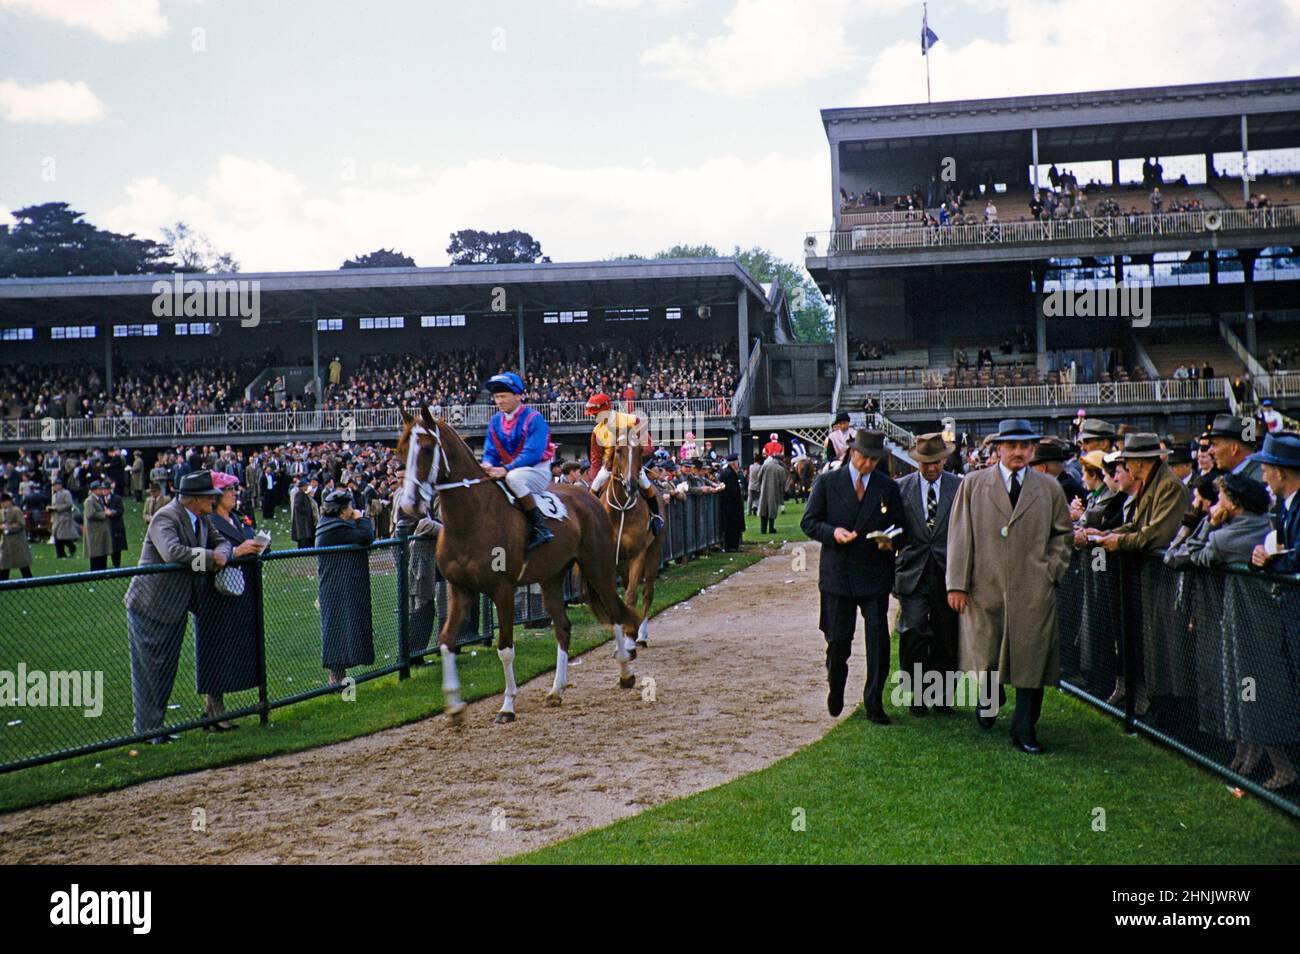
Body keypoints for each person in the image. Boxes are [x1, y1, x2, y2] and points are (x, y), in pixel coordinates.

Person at [946, 418, 1073, 753]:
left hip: (1034, 591)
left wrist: (1052, 571)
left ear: (1033, 450)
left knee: (1032, 660)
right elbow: (960, 537)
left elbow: (1063, 535)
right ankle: (990, 700)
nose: (1018, 452)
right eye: (1012, 445)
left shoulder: (1048, 489)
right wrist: (957, 584)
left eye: (1025, 446)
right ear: (998, 449)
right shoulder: (973, 484)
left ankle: (1025, 730)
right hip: (984, 588)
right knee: (988, 656)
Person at [801, 430, 904, 724]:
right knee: (838, 641)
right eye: (863, 457)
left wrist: (890, 540)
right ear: (851, 453)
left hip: (874, 573)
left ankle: (874, 701)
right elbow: (809, 522)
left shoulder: (887, 487)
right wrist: (832, 532)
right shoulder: (828, 482)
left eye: (874, 459)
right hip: (838, 574)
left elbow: (900, 526)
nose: (868, 464)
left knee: (877, 640)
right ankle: (836, 683)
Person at [123, 470, 233, 743]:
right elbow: (172, 553)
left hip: (176, 605)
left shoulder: (204, 519)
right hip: (151, 605)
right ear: (194, 498)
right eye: (209, 497)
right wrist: (211, 558)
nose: (213, 501)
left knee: (165, 672)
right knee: (149, 672)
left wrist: (221, 555)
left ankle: (156, 729)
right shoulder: (166, 517)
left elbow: (224, 543)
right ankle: (147, 732)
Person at [193, 471, 267, 730]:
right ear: (216, 496)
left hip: (241, 594)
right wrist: (237, 551)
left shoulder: (237, 518)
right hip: (216, 596)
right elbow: (203, 556)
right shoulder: (207, 522)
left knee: (237, 650)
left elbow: (248, 539)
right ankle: (214, 711)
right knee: (216, 651)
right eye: (229, 491)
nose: (235, 494)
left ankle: (216, 712)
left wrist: (258, 547)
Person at [893, 433, 961, 715]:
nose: (931, 468)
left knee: (947, 636)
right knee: (915, 632)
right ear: (917, 462)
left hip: (949, 574)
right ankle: (917, 696)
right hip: (913, 571)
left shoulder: (960, 487)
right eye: (925, 463)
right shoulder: (900, 489)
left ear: (944, 459)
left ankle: (943, 697)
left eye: (936, 462)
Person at [480, 371, 557, 551]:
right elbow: (490, 451)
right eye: (496, 397)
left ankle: (540, 528)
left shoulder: (534, 418)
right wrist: (488, 464)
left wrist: (506, 469)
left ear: (518, 396)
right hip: (508, 470)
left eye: (503, 396)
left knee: (514, 478)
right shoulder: (494, 421)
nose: (498, 401)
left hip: (536, 470)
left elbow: (533, 453)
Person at [316, 489, 375, 684]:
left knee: (342, 631)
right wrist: (362, 518)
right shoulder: (335, 529)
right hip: (337, 588)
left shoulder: (331, 525)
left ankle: (341, 683)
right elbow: (366, 536)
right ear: (343, 509)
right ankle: (339, 685)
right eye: (350, 506)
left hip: (339, 587)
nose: (353, 509)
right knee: (338, 633)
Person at [584, 391, 662, 535]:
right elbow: (595, 459)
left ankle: (656, 516)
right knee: (594, 487)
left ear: (606, 409)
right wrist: (594, 476)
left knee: (644, 483)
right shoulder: (596, 431)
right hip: (609, 467)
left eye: (596, 413)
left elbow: (649, 445)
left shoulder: (632, 420)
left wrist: (633, 456)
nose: (595, 417)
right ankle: (589, 524)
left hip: (631, 463)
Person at [1250, 432, 1300, 576]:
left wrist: (1269, 562)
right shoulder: (1288, 505)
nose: (1264, 478)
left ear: (1279, 473)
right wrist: (1263, 555)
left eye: (1265, 471)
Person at [1031, 439, 1086, 513]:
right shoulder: (1063, 482)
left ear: (1043, 468)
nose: (1032, 473)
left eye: (1033, 468)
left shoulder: (1063, 487)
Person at [1206, 414, 1262, 481]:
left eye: (1214, 444)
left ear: (1234, 448)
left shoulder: (1256, 479)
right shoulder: (1254, 474)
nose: (1210, 451)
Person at [0, 492, 33, 581]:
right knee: (4, 563)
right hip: (6, 542)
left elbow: (21, 524)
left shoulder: (16, 510)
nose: (2, 504)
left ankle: (29, 580)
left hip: (17, 541)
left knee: (22, 563)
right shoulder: (2, 512)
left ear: (9, 501)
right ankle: (3, 581)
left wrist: (8, 528)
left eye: (3, 502)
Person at [83, 480, 113, 571]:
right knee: (96, 553)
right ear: (94, 490)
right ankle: (95, 571)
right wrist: (104, 514)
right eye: (100, 488)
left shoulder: (99, 499)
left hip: (101, 530)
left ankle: (103, 570)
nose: (102, 490)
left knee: (102, 552)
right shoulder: (89, 501)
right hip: (94, 531)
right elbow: (90, 514)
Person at [718, 454, 745, 551]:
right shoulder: (729, 474)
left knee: (733, 526)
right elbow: (731, 490)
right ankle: (731, 546)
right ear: (734, 463)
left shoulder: (729, 473)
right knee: (731, 526)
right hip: (730, 505)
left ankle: (733, 545)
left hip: (731, 504)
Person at [47, 478, 78, 559]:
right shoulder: (54, 495)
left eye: (55, 485)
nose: (54, 487)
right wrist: (50, 509)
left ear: (60, 485)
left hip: (64, 517)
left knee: (62, 537)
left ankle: (71, 546)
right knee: (57, 536)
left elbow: (69, 504)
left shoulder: (66, 493)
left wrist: (57, 508)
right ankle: (60, 554)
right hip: (56, 518)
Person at [756, 451, 786, 534]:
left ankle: (763, 529)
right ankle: (771, 528)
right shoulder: (780, 469)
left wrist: (762, 484)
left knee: (763, 509)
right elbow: (783, 482)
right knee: (772, 510)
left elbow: (759, 477)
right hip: (774, 492)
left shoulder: (765, 466)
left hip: (764, 490)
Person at [291, 477, 319, 549]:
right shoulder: (299, 494)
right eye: (306, 485)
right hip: (302, 520)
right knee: (303, 536)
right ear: (302, 487)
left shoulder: (304, 494)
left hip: (305, 519)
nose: (307, 487)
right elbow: (298, 506)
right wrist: (306, 511)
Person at [106, 480, 128, 568]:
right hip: (107, 526)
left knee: (116, 547)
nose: (104, 491)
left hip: (115, 526)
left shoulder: (117, 498)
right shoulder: (100, 499)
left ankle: (116, 565)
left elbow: (120, 510)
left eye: (106, 489)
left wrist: (111, 513)